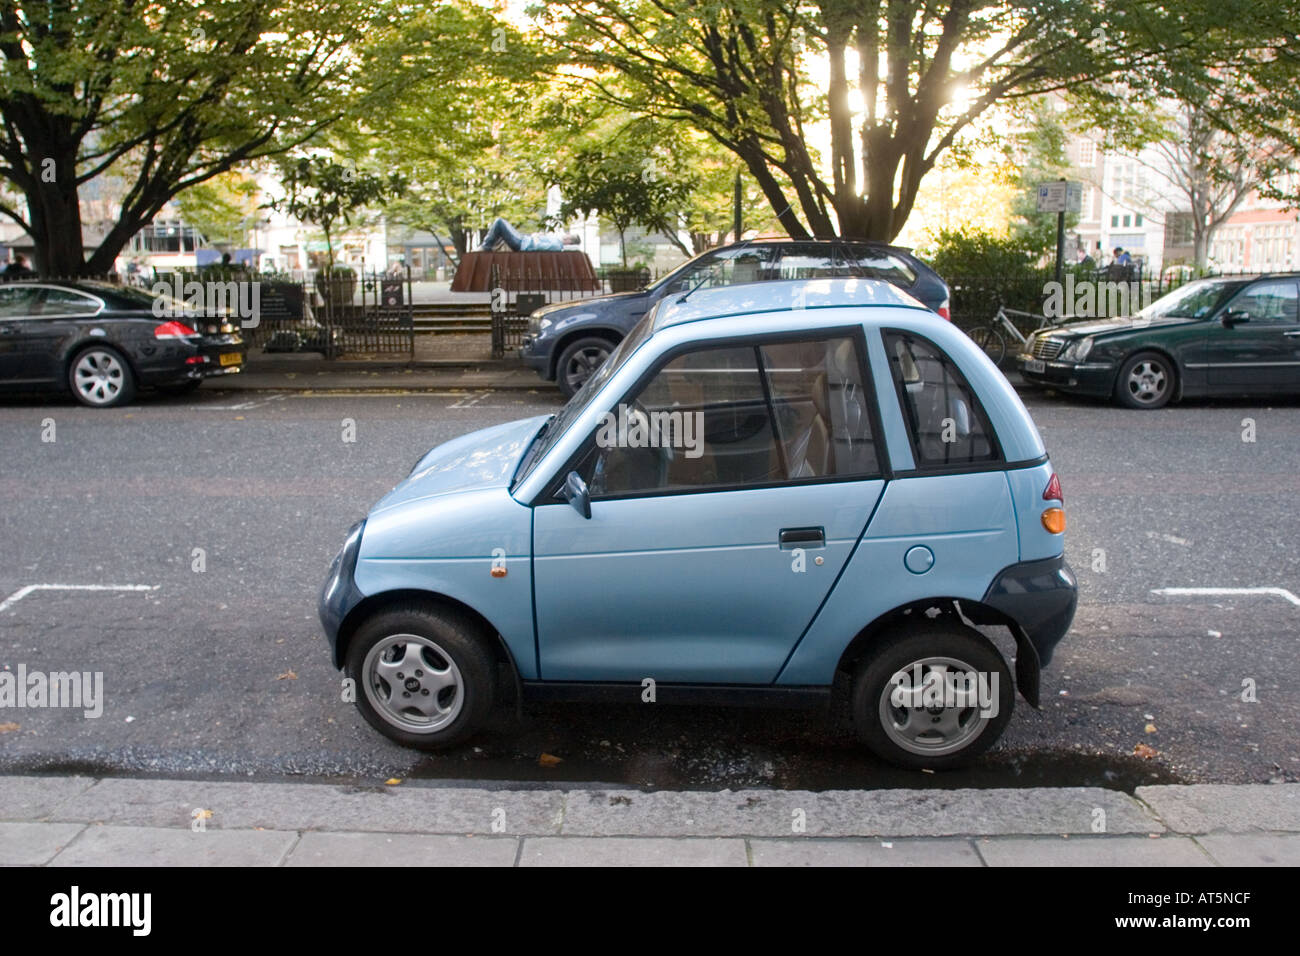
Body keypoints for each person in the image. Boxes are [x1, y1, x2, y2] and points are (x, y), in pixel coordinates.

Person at [478, 217, 578, 252]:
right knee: (502, 224)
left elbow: (538, 246)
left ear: (569, 241)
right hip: (523, 239)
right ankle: (489, 245)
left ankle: (486, 246)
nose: (566, 234)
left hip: (522, 244)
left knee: (500, 222)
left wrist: (535, 235)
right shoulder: (556, 241)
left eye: (569, 235)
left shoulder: (556, 245)